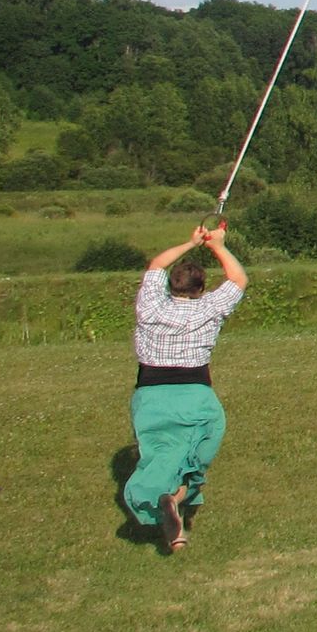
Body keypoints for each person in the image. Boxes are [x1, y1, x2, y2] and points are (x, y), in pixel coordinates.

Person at [126, 224, 248, 551]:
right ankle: (177, 496)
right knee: (194, 454)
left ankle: (165, 502)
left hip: (149, 396)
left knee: (160, 454)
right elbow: (238, 279)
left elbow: (155, 264)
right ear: (201, 288)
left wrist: (190, 242)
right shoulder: (208, 308)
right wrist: (217, 246)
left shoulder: (150, 305)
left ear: (170, 284)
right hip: (194, 394)